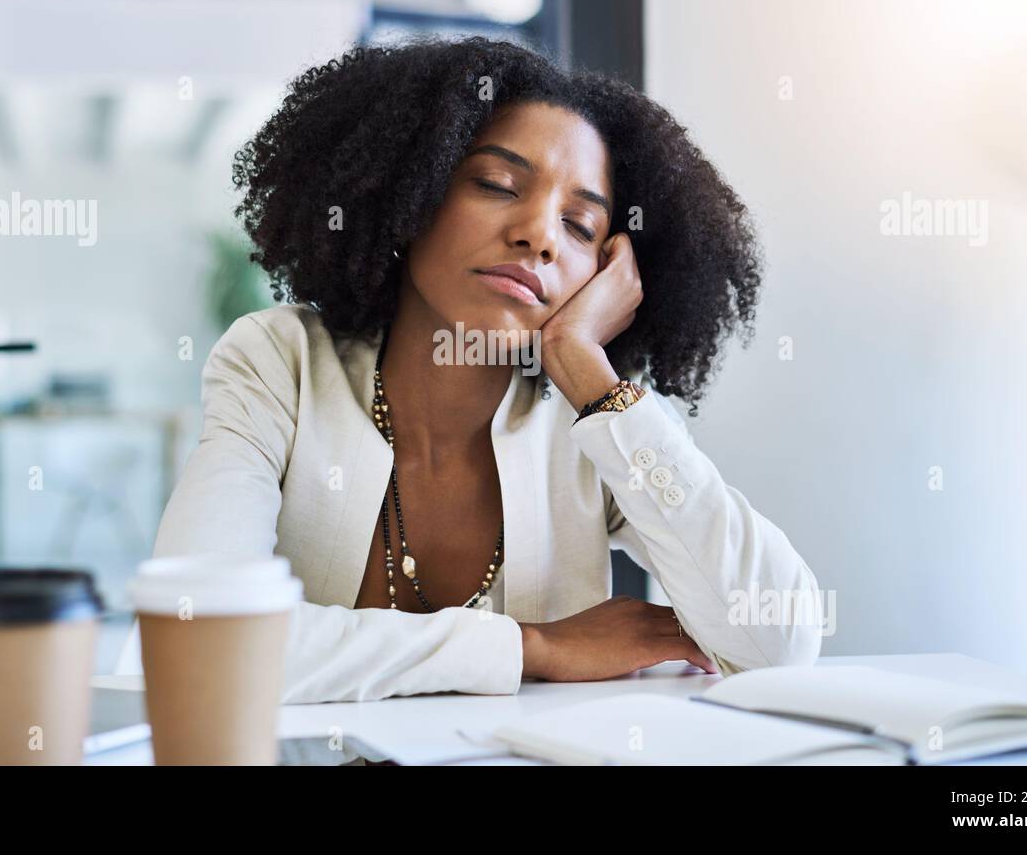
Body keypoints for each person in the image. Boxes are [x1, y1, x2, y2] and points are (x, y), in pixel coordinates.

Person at [119, 36, 822, 704]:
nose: (540, 234)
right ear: (409, 192)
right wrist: (531, 648)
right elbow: (197, 634)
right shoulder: (280, 365)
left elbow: (780, 639)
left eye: (580, 228)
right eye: (496, 183)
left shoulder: (599, 420)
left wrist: (587, 370)